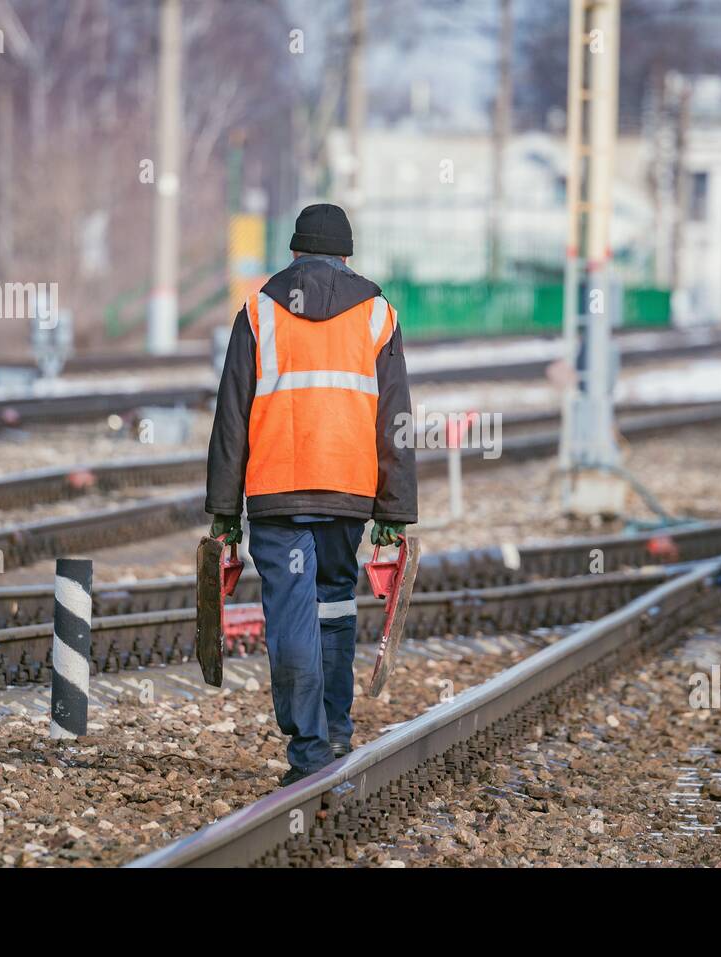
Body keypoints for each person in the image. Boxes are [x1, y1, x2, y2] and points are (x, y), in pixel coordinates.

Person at [205, 203, 418, 786]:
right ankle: (335, 728)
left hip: (276, 489)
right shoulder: (377, 314)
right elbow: (395, 418)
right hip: (348, 490)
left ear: (295, 252)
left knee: (290, 611)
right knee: (334, 604)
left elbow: (231, 416)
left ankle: (309, 749)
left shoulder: (259, 309)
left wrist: (224, 512)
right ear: (346, 254)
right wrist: (394, 513)